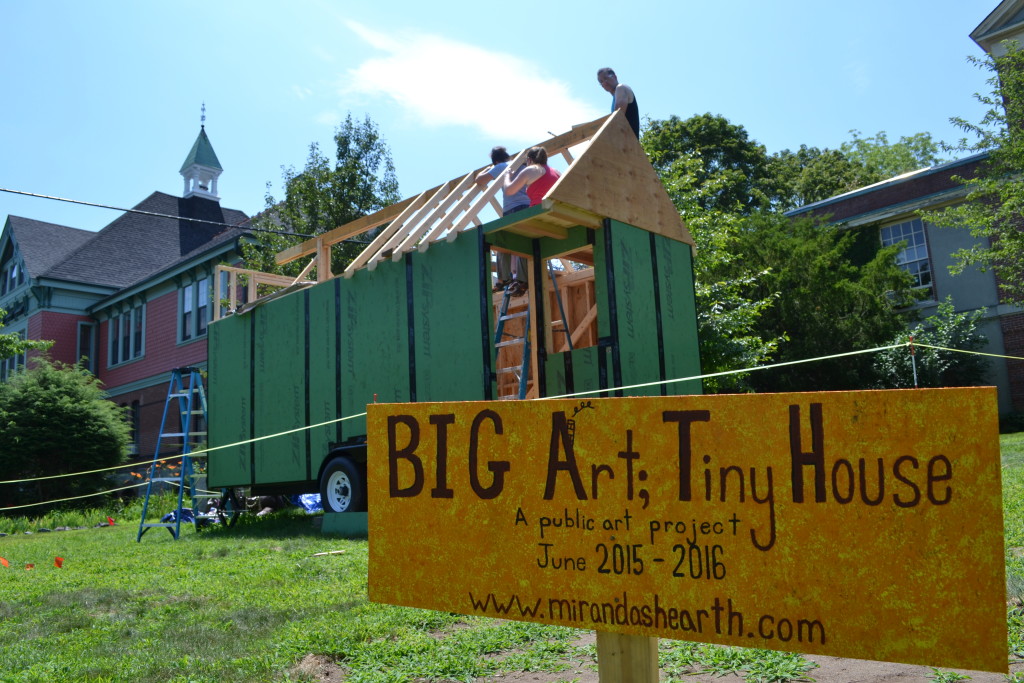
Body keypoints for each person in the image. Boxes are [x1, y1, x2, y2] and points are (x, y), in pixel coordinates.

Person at [475, 146, 530, 292]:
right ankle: (522, 279)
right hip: (528, 207)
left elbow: (480, 180)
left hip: (512, 209)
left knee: (503, 242)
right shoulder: (523, 166)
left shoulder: (502, 166)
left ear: (496, 161)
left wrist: (485, 170)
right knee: (523, 243)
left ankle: (504, 279)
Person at [597, 67, 639, 138]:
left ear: (615, 77)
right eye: (601, 82)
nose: (604, 83)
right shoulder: (615, 97)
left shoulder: (621, 88)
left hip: (629, 144)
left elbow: (617, 118)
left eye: (606, 78)